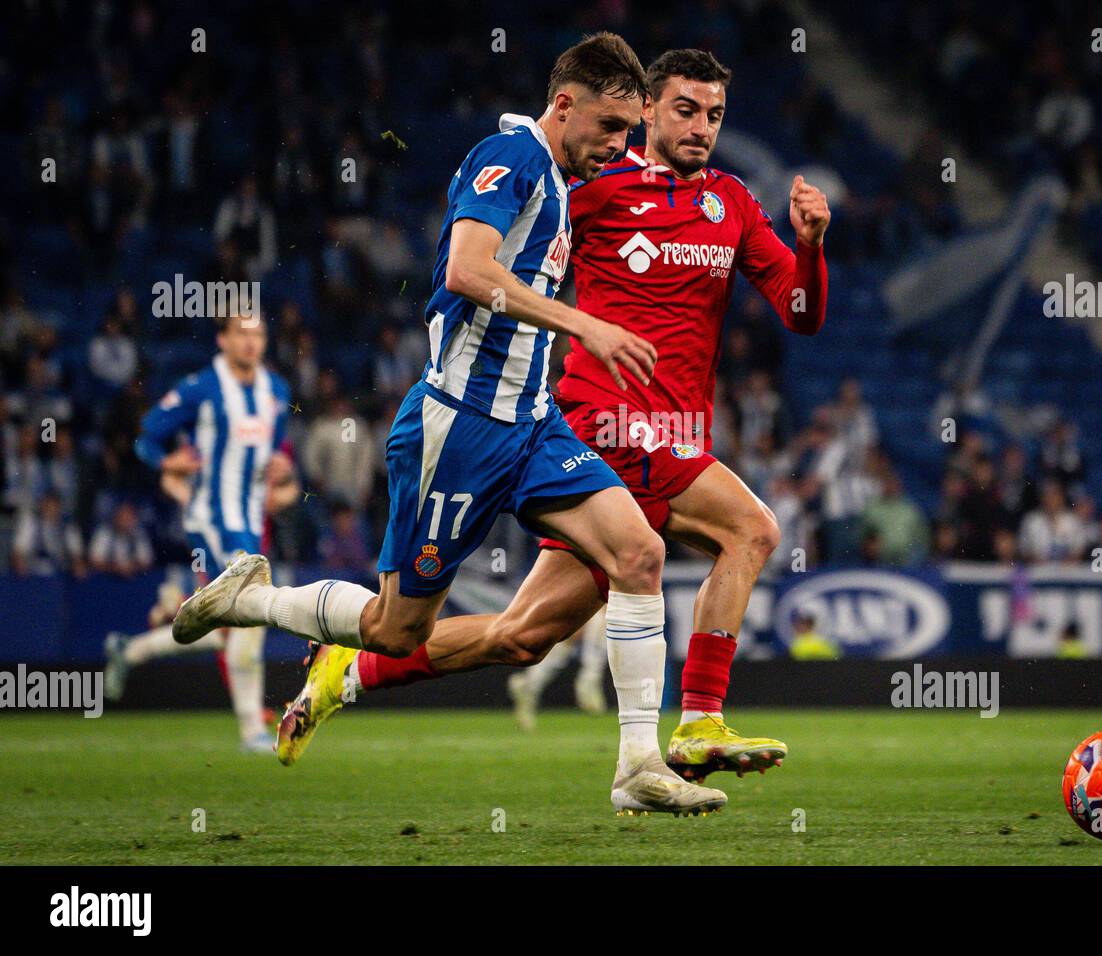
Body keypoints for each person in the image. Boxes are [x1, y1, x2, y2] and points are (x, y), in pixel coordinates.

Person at [172, 34, 725, 817]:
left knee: (639, 553)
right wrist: (584, 326)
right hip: (458, 430)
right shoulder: (513, 158)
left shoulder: (566, 176)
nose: (619, 146)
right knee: (395, 630)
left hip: (533, 426)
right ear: (563, 105)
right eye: (608, 127)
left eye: (629, 132)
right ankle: (250, 599)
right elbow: (467, 270)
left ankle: (637, 764)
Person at [286, 46, 831, 784]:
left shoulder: (730, 203)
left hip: (671, 435)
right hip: (595, 419)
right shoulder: (592, 183)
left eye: (714, 115)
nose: (700, 127)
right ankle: (698, 720)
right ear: (646, 112)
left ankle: (345, 675)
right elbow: (495, 236)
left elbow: (800, 313)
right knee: (753, 527)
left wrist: (810, 247)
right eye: (683, 110)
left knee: (522, 637)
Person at [104, 313, 298, 750]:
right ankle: (252, 730)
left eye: (259, 334)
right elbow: (147, 437)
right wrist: (164, 462)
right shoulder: (200, 388)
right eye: (241, 335)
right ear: (222, 340)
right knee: (253, 611)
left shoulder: (276, 392)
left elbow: (277, 458)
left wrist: (280, 469)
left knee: (225, 627)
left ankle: (130, 650)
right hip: (210, 521)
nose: (251, 343)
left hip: (250, 524)